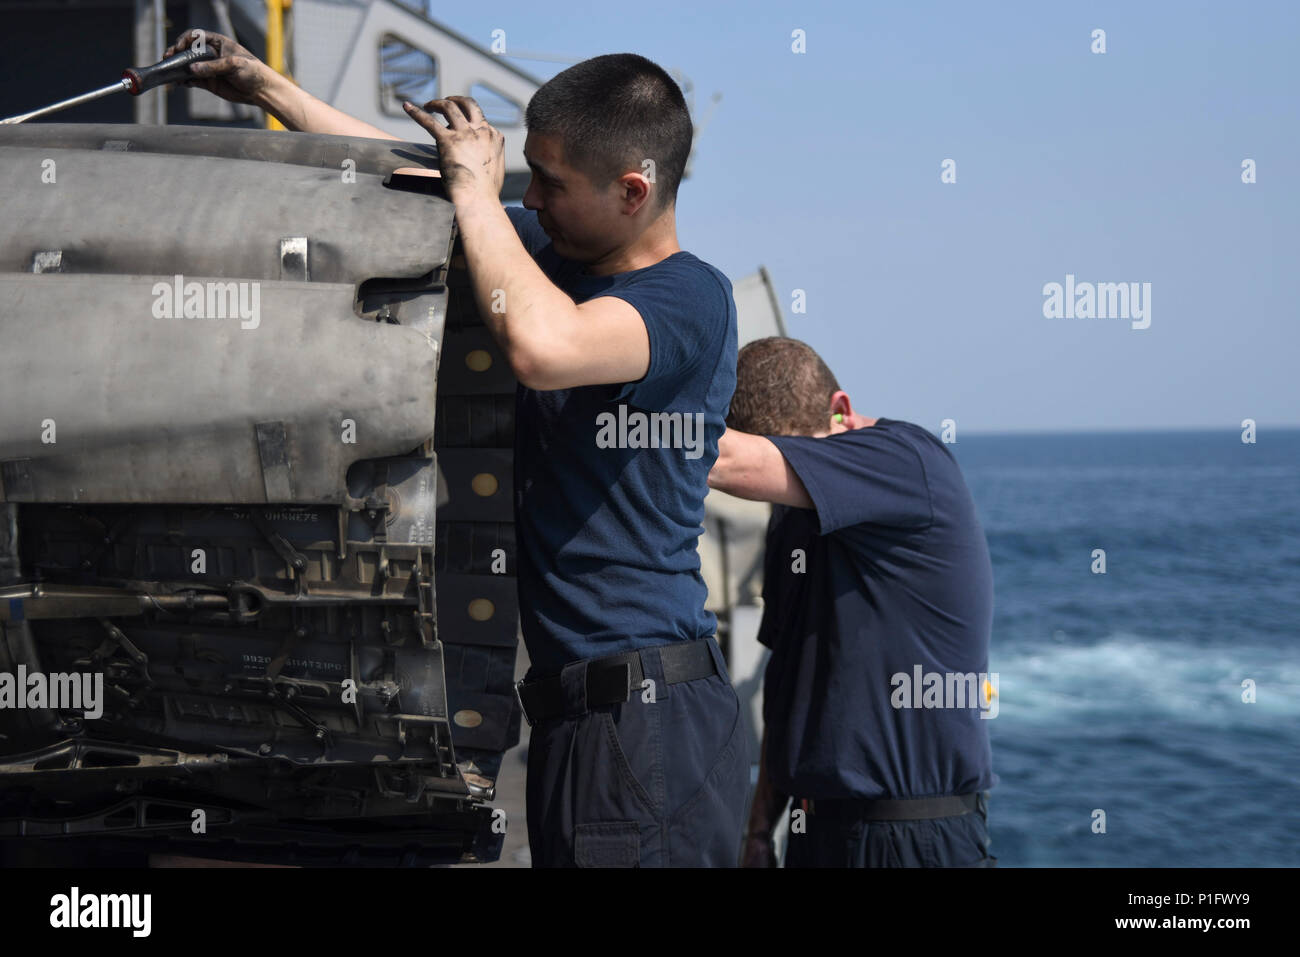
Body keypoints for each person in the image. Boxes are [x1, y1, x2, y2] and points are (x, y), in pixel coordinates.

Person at [166, 30, 747, 867]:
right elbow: (408, 177)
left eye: (551, 182)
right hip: (584, 720)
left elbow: (545, 349)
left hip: (646, 720)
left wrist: (480, 194)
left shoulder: (689, 297)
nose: (533, 198)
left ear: (633, 190)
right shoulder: (558, 253)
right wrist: (268, 90)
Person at [708, 337, 997, 867]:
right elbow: (787, 686)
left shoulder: (909, 460)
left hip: (914, 833)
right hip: (813, 831)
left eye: (801, 457)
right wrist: (757, 831)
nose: (783, 485)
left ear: (841, 411)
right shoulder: (791, 517)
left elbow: (726, 458)